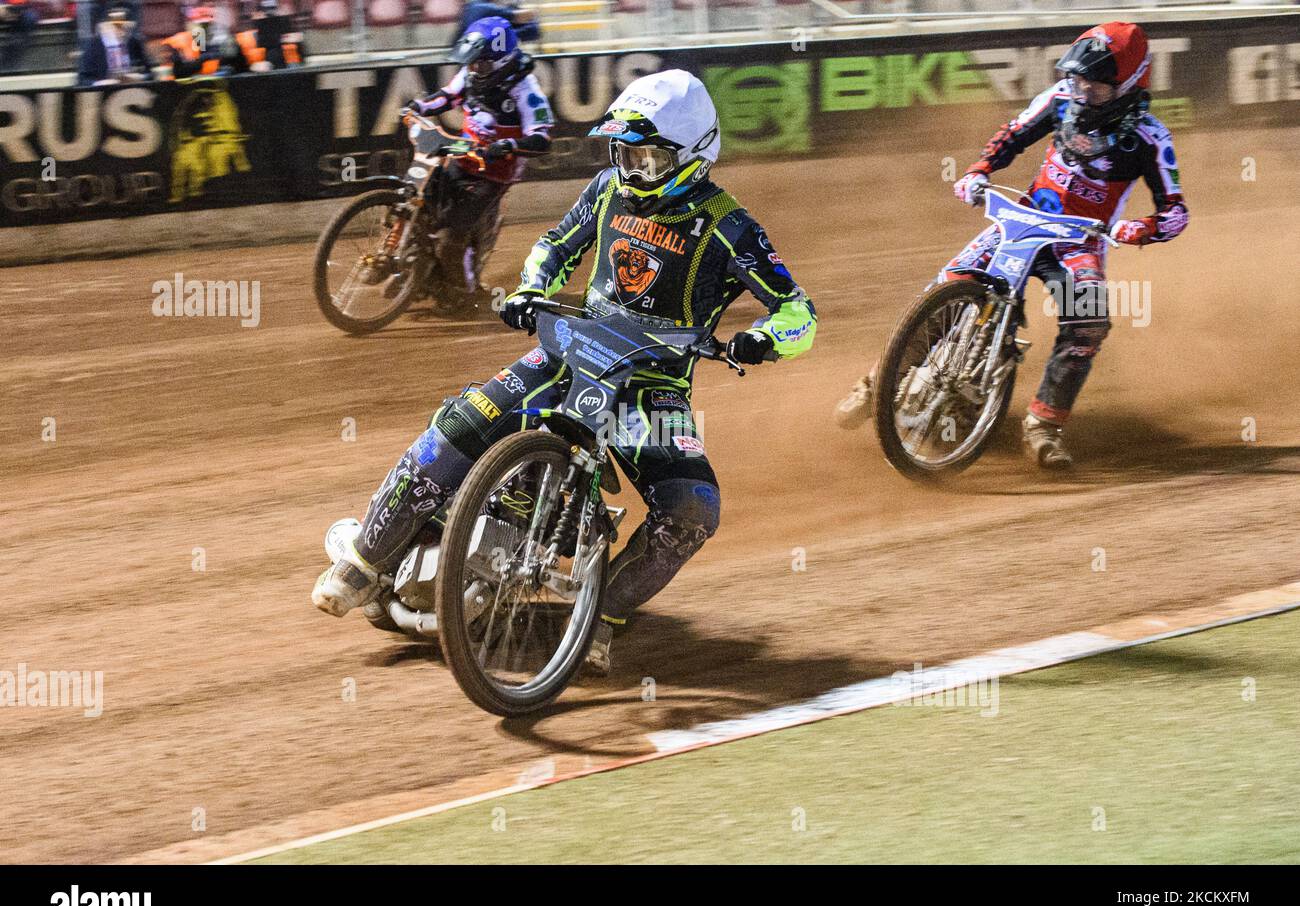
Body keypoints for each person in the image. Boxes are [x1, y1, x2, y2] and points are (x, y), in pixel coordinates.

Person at [313, 69, 818, 675]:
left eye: (647, 156)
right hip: (570, 346)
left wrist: (762, 341)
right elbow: (555, 244)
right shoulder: (606, 189)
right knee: (462, 420)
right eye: (624, 152)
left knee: (692, 508)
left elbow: (799, 312)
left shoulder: (729, 225)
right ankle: (363, 559)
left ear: (692, 156)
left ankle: (602, 615)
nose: (632, 167)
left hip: (651, 390)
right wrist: (533, 287)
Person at [835, 22, 1187, 469]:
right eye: (1077, 80)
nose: (1081, 93)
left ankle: (1044, 426)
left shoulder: (1151, 137)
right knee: (949, 287)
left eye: (1094, 87)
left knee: (1088, 324)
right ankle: (877, 381)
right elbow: (1014, 133)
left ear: (1130, 86)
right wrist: (978, 170)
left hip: (1079, 241)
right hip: (1020, 221)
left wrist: (1137, 229)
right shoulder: (1060, 98)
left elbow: (1176, 211)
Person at [404, 15, 551, 308]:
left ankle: (462, 293)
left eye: (480, 63)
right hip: (462, 154)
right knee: (421, 202)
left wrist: (508, 145)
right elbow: (447, 97)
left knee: (449, 236)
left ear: (502, 61)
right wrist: (418, 106)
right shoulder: (471, 73)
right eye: (471, 62)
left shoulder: (526, 90)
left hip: (494, 172)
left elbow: (543, 138)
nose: (472, 69)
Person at [77, 3, 152, 85]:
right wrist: (100, 83)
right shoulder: (93, 46)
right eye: (115, 26)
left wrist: (140, 78)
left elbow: (150, 75)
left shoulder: (134, 43)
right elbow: (82, 80)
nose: (120, 31)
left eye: (124, 25)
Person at [159, 6, 226, 78]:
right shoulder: (176, 42)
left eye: (208, 26)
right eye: (202, 25)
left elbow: (210, 70)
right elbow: (177, 71)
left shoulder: (208, 45)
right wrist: (201, 60)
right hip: (173, 83)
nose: (205, 30)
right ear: (190, 25)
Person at [456, 1, 538, 43]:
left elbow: (532, 30)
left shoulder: (473, 6)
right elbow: (523, 15)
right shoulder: (480, 7)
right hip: (477, 52)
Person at [0, 1, 39, 73]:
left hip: (21, 15)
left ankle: (9, 66)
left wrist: (17, 10)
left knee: (29, 17)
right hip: (4, 10)